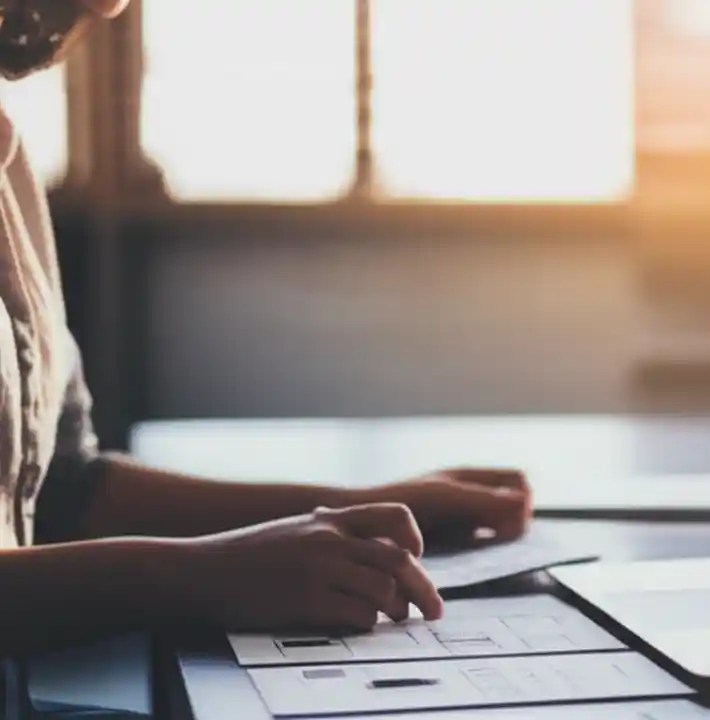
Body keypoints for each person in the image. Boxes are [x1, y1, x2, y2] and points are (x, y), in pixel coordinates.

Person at [0, 1, 532, 715]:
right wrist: (198, 576)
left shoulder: (10, 156)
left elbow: (63, 490)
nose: (111, 5)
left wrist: (339, 521)